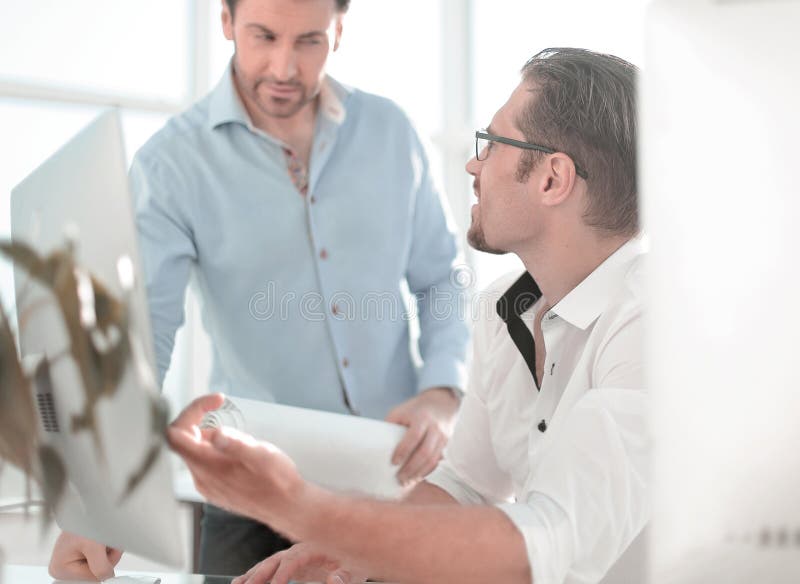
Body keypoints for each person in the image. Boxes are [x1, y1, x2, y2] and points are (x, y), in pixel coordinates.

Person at [169, 47, 648, 584]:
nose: (474, 163)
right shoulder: (502, 310)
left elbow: (545, 546)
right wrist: (335, 551)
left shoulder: (654, 325)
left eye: (491, 144)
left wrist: (301, 508)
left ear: (552, 179)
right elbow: (465, 489)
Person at [48, 0, 469, 580]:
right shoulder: (172, 163)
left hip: (396, 477)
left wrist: (444, 391)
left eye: (309, 41)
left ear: (339, 31)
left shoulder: (392, 133)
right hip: (252, 491)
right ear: (226, 21)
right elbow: (143, 335)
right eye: (263, 36)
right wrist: (103, 492)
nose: (284, 67)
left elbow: (442, 276)